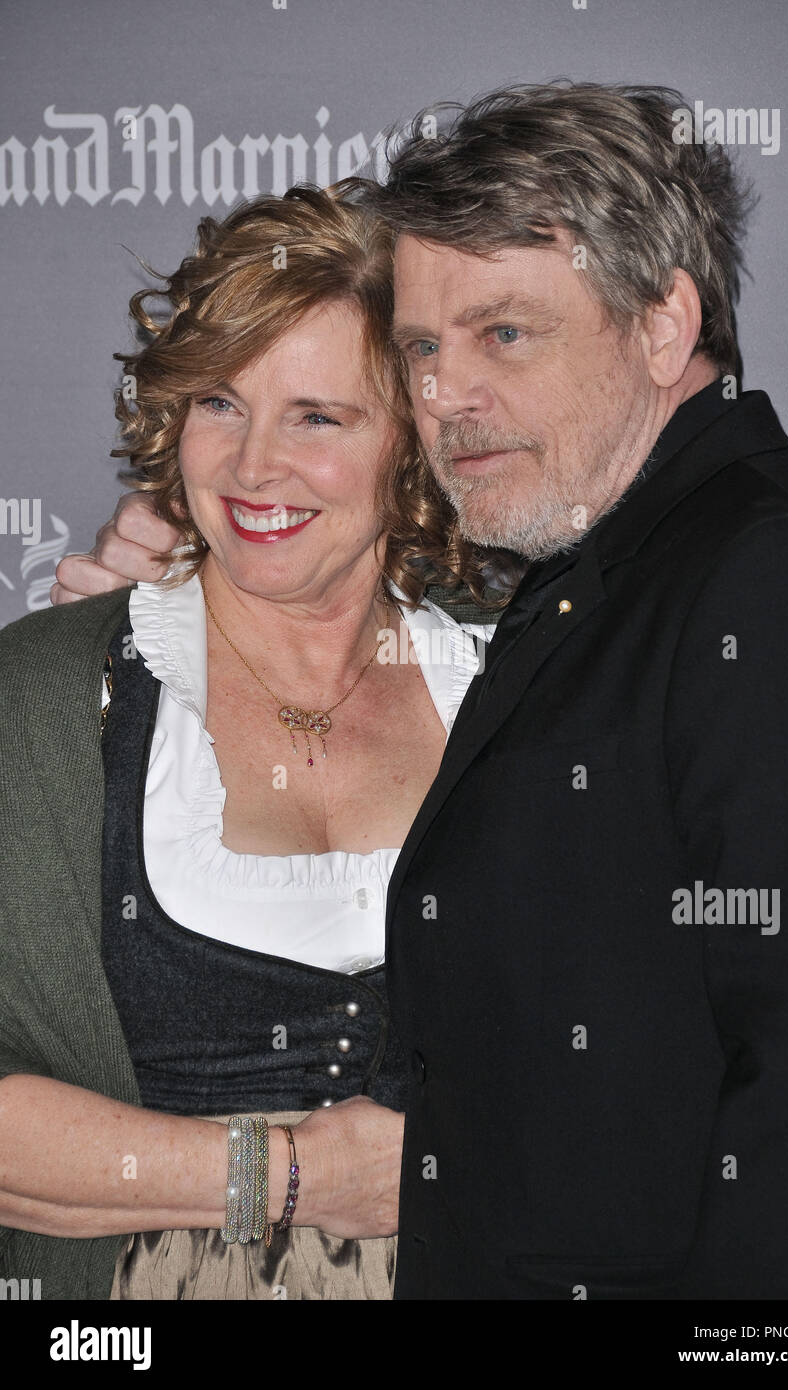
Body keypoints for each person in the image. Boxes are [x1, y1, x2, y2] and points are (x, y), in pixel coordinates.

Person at [61, 82, 788, 1301]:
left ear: (662, 326)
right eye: (424, 349)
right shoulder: (593, 577)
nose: (445, 397)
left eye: (504, 335)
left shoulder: (775, 566)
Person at [0, 185, 508, 1301]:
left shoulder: (522, 686)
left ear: (414, 445)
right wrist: (288, 1175)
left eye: (318, 417)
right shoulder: (46, 698)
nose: (251, 463)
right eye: (220, 404)